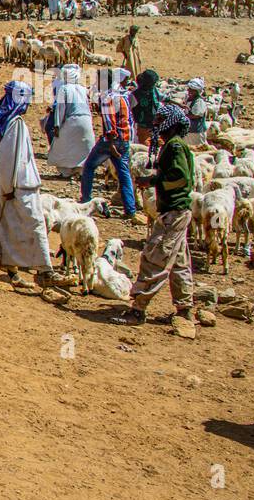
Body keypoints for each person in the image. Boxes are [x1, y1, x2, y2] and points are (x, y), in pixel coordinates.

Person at [115, 104, 196, 326]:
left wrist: (152, 181)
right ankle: (184, 308)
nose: (157, 124)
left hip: (174, 211)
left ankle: (138, 309)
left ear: (172, 122)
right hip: (177, 210)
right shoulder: (172, 145)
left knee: (155, 256)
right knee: (178, 261)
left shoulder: (175, 147)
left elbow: (180, 178)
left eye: (161, 120)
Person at [0, 81, 54, 290]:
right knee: (34, 224)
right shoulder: (15, 124)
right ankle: (46, 271)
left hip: (10, 184)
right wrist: (8, 185)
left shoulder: (1, 121)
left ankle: (13, 270)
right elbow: (11, 158)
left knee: (10, 226)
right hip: (19, 186)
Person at [80, 67, 138, 220]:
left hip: (110, 141)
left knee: (89, 166)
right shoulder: (122, 95)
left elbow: (109, 122)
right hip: (124, 139)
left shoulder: (107, 98)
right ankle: (130, 209)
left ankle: (86, 201)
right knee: (124, 173)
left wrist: (111, 143)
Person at [46, 63, 94, 177]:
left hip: (72, 119)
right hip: (86, 120)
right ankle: (81, 171)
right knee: (83, 147)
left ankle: (66, 172)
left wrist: (57, 125)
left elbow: (60, 109)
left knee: (62, 145)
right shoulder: (83, 89)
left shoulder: (64, 88)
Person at [130, 68, 162, 150]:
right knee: (144, 148)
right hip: (142, 127)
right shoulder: (135, 95)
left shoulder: (153, 90)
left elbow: (161, 97)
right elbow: (129, 110)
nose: (154, 84)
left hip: (155, 126)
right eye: (153, 83)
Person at [181, 77, 208, 147]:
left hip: (196, 133)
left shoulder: (199, 101)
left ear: (196, 91)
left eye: (191, 90)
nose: (189, 90)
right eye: (189, 89)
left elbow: (196, 115)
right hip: (189, 130)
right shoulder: (189, 99)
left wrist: (182, 116)